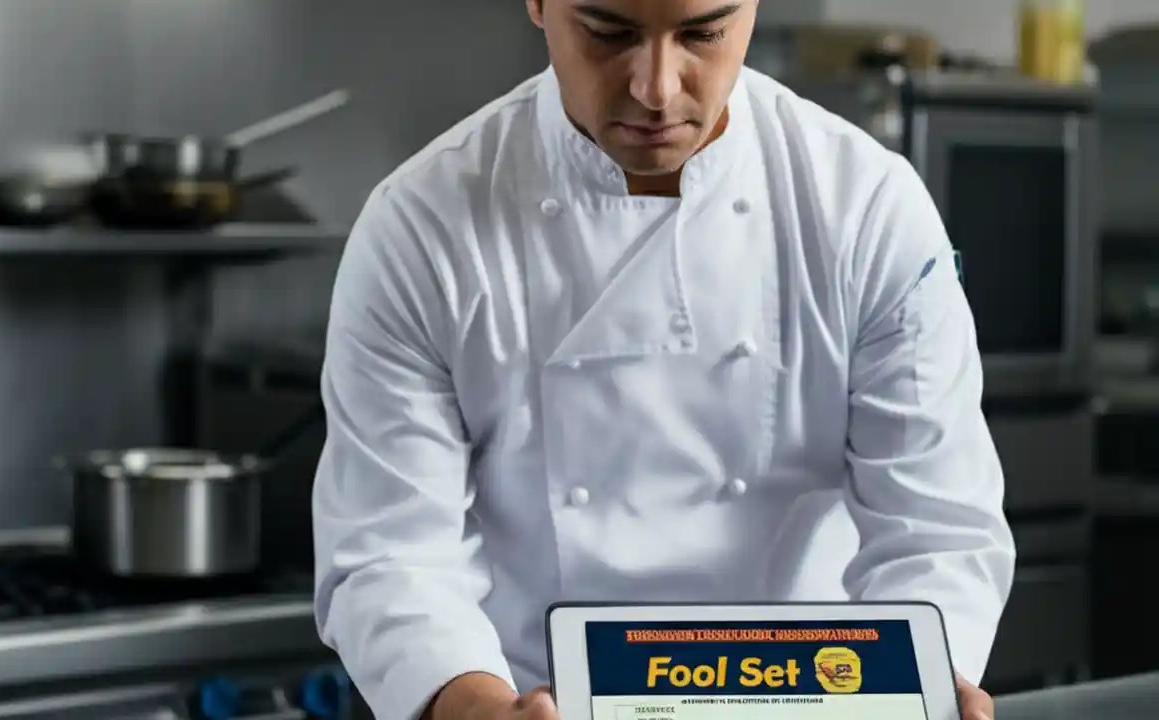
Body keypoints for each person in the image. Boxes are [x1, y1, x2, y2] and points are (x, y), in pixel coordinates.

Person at [312, 1, 1015, 719]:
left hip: (815, 700)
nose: (656, 88)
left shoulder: (864, 209)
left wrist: (921, 685)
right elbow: (392, 555)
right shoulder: (422, 227)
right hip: (532, 696)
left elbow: (938, 529)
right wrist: (475, 708)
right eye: (609, 33)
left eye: (703, 33)